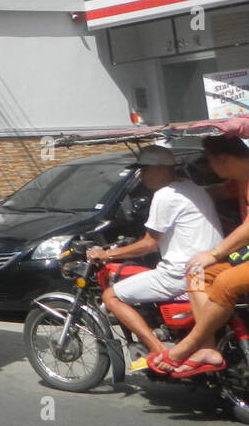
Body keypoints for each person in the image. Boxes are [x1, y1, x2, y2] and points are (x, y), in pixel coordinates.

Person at [85, 145, 222, 370]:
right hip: (212, 265)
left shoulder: (165, 194)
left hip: (181, 271)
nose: (141, 175)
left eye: (145, 168)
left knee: (111, 296)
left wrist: (107, 254)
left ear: (161, 169)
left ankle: (160, 351)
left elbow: (149, 244)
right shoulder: (193, 188)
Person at [150, 134, 249, 376]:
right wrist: (184, 189)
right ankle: (208, 348)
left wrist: (215, 253)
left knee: (225, 282)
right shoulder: (239, 181)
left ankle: (187, 346)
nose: (209, 166)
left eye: (210, 160)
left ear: (223, 160)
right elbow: (213, 194)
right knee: (195, 271)